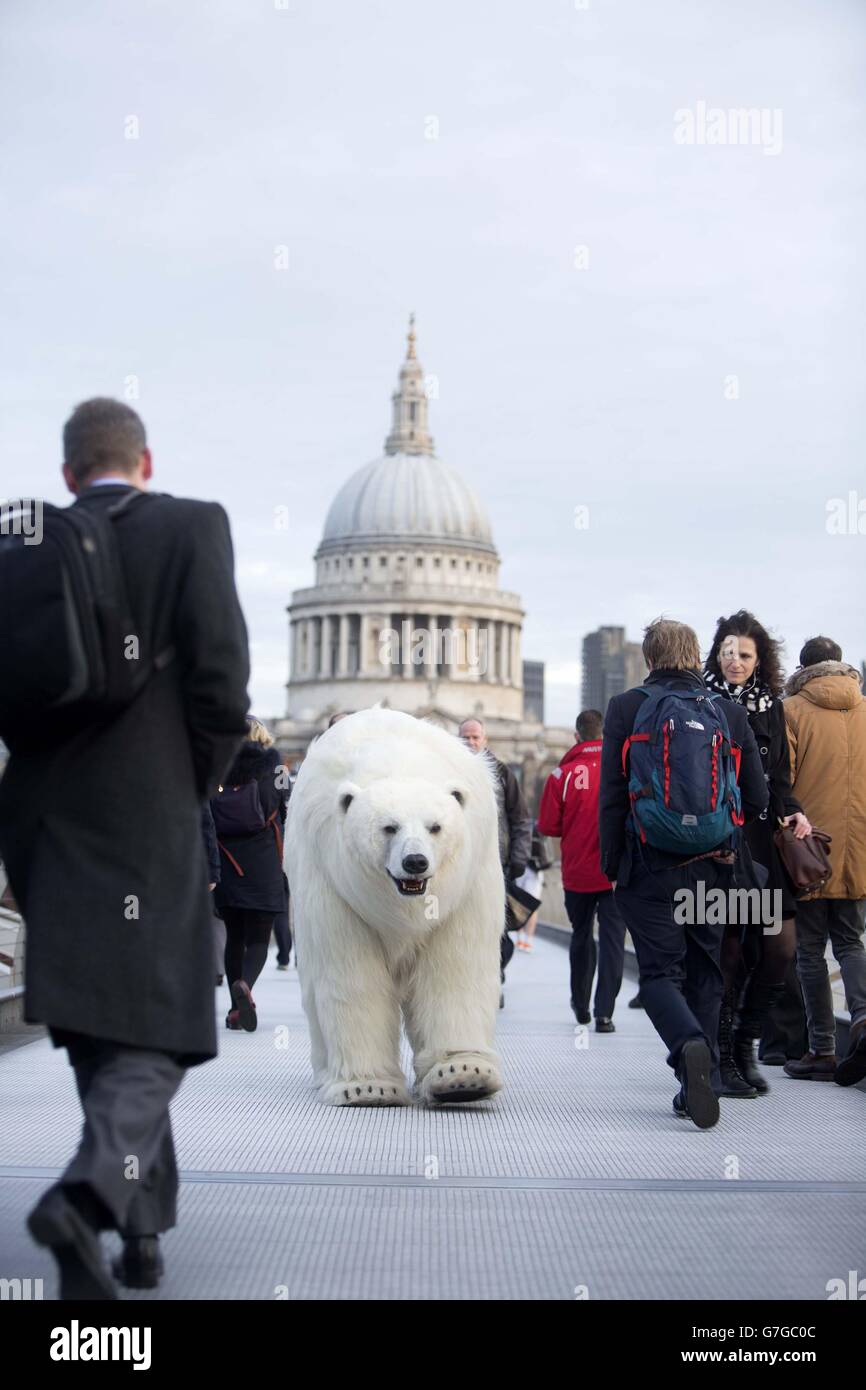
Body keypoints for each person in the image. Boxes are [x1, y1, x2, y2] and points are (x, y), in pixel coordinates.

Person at [0, 398, 250, 1297]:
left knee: (102, 1021)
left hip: (36, 817)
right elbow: (223, 684)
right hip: (146, 814)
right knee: (165, 1023)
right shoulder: (191, 526)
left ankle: (138, 1240)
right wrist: (188, 779)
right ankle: (88, 1197)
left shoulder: (22, 541)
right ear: (145, 461)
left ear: (69, 474)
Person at [599, 618, 767, 1128]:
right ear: (697, 658)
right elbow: (757, 798)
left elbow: (611, 797)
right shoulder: (728, 713)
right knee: (706, 968)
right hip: (714, 868)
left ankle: (687, 1046)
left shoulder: (627, 707)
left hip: (648, 865)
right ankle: (705, 1077)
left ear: (649, 660)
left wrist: (614, 864)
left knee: (657, 976)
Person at [703, 612, 811, 1097]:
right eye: (727, 651)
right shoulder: (701, 702)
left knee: (779, 948)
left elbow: (782, 780)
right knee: (728, 952)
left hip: (765, 840)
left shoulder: (773, 708)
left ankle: (746, 1040)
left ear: (759, 660)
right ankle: (724, 1057)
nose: (734, 661)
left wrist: (796, 813)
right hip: (722, 843)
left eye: (744, 654)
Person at [781, 637, 866, 1085]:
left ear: (804, 668)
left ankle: (822, 1050)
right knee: (851, 942)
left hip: (810, 848)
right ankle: (864, 1019)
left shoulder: (791, 709)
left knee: (810, 950)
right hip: (859, 850)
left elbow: (783, 779)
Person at [537, 709, 626, 1031]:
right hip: (615, 872)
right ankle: (605, 1013)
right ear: (604, 735)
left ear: (577, 736)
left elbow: (547, 826)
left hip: (576, 872)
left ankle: (580, 1003)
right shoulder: (622, 771)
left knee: (581, 936)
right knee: (614, 939)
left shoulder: (561, 777)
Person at [212, 718, 290, 1030]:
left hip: (227, 859)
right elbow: (287, 808)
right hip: (264, 860)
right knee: (259, 937)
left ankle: (234, 1009)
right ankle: (245, 987)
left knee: (235, 936)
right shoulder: (277, 769)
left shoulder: (216, 767)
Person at [458, 718, 531, 1002]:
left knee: (496, 929)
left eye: (475, 737)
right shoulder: (446, 771)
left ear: (484, 739)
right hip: (460, 867)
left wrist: (518, 860)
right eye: (466, 737)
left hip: (496, 865)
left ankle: (494, 979)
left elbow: (521, 819)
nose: (471, 743)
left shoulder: (501, 772)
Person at [515, 821, 552, 952]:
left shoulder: (523, 826)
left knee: (519, 903)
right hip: (536, 871)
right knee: (533, 906)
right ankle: (528, 940)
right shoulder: (539, 828)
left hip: (522, 867)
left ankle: (519, 938)